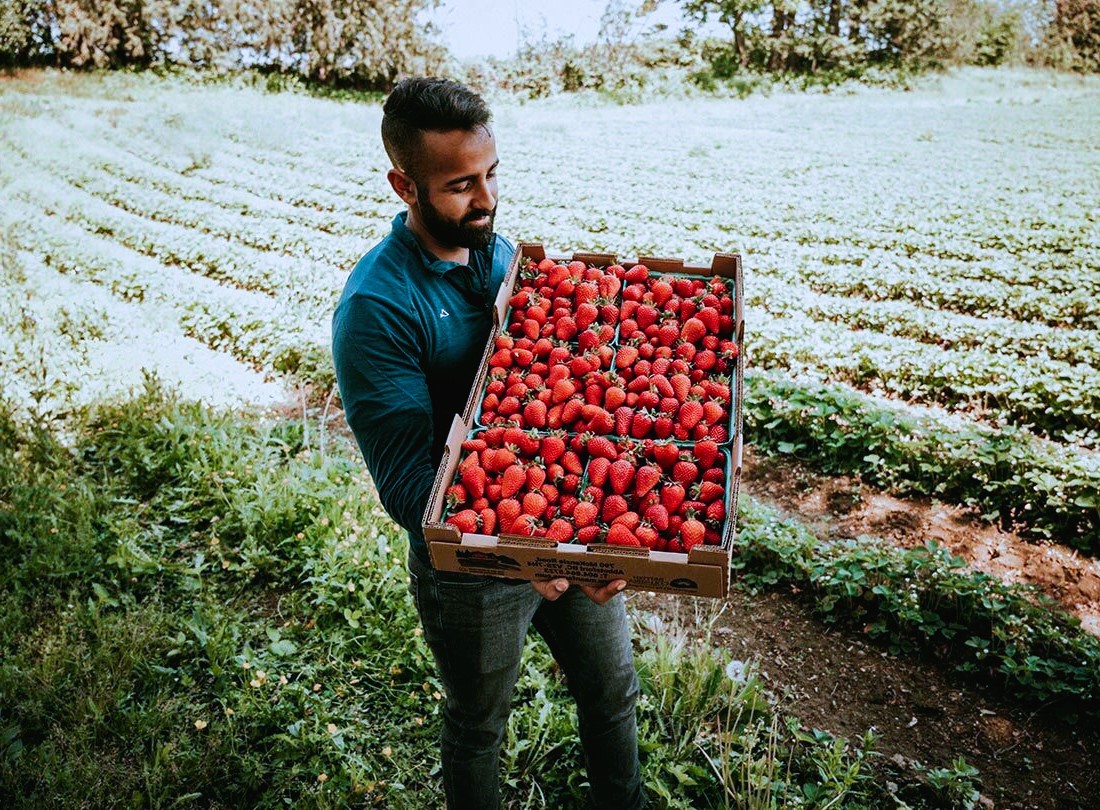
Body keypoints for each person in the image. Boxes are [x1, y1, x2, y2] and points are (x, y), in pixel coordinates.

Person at [331, 77, 644, 809]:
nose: (488, 199)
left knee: (614, 694)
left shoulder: (494, 252)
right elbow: (408, 485)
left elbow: (553, 369)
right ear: (402, 183)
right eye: (461, 185)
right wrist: (516, 551)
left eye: (492, 173)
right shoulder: (377, 309)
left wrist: (580, 530)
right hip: (469, 562)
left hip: (568, 517)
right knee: (479, 723)